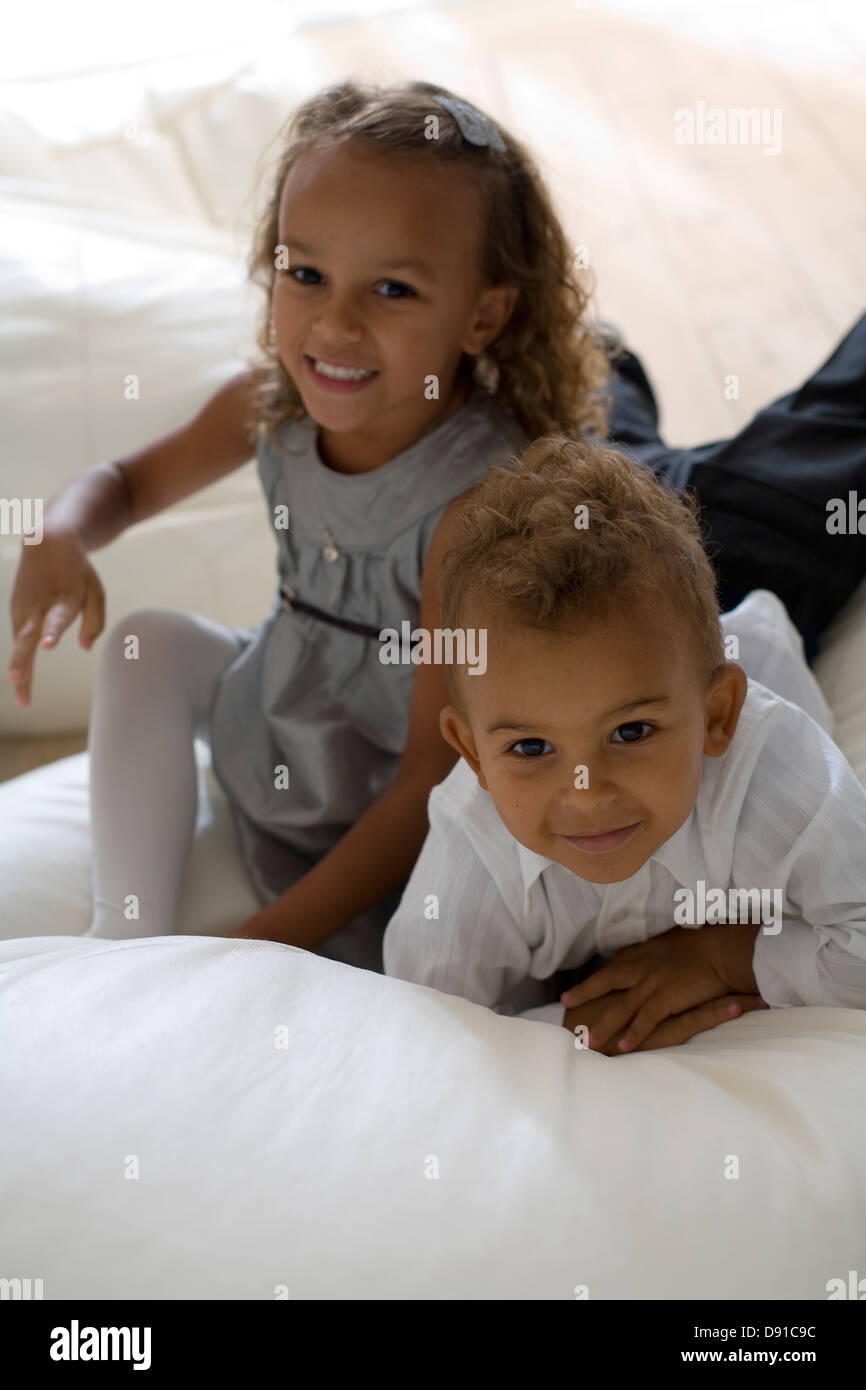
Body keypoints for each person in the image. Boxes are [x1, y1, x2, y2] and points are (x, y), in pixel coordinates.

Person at [5, 80, 865, 966]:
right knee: (148, 640)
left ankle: (614, 382)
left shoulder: (471, 510)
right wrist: (61, 532)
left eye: (393, 288)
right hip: (290, 713)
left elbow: (431, 776)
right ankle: (124, 931)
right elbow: (122, 484)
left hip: (386, 787)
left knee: (780, 461)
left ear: (484, 315)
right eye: (306, 273)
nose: (335, 323)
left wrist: (254, 950)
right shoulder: (270, 404)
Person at [382, 435, 866, 1052]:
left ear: (719, 717)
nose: (586, 794)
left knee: (826, 444)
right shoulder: (476, 848)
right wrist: (560, 1039)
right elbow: (426, 1029)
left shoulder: (770, 771)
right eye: (531, 748)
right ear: (472, 752)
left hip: (758, 586)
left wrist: (725, 957)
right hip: (655, 637)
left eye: (631, 732)